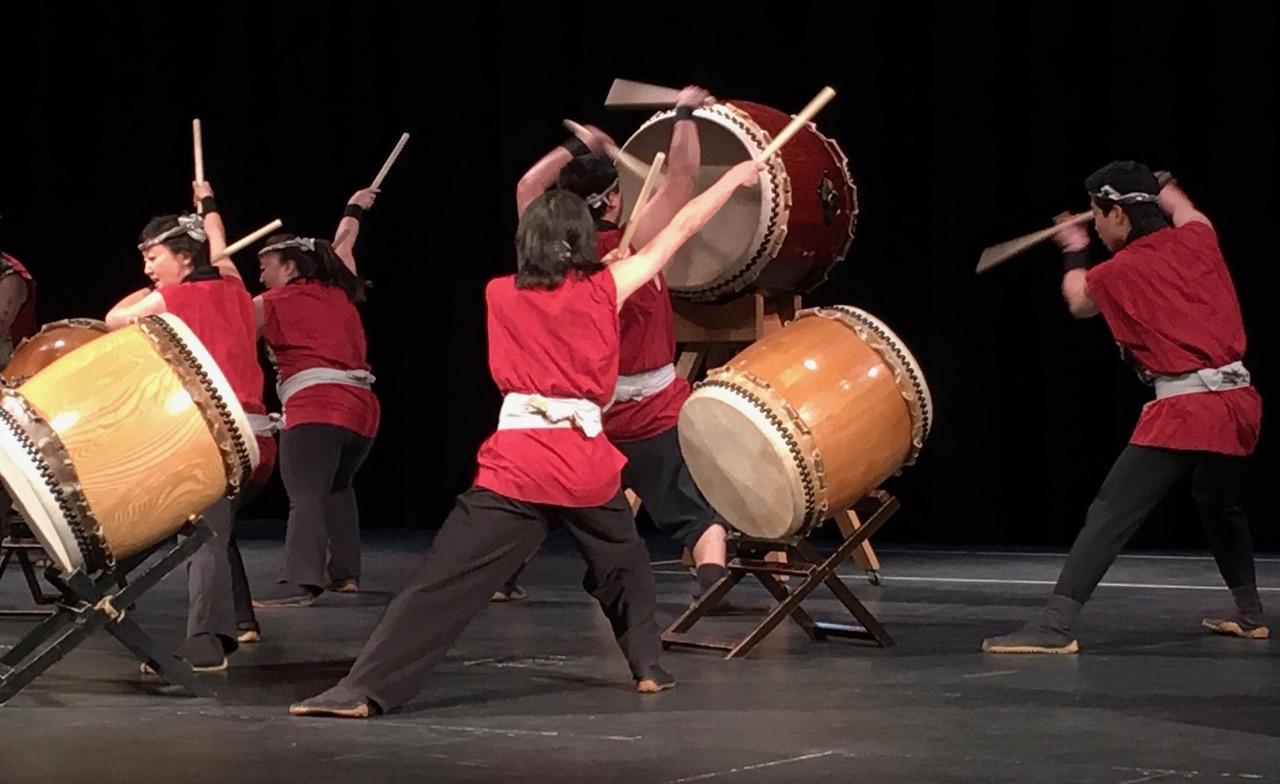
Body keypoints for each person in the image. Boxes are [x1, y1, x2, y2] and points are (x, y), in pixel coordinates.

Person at [289, 159, 765, 718]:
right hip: (585, 463)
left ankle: (362, 689)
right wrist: (733, 179)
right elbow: (681, 226)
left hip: (519, 464)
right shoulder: (606, 288)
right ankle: (648, 666)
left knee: (444, 583)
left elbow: (548, 278)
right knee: (625, 565)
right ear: (583, 240)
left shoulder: (499, 293)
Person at [983, 161, 1266, 655]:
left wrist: (1074, 252)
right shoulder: (1199, 237)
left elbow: (1079, 301)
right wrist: (1167, 186)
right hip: (1241, 405)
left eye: (1097, 214)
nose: (1094, 223)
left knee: (1112, 510)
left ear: (1117, 213)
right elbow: (1185, 208)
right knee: (1216, 501)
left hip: (1189, 410)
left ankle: (1054, 628)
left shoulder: (1120, 271)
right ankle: (1250, 615)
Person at [249, 188, 380, 607]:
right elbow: (345, 242)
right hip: (363, 411)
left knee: (305, 494)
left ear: (288, 267)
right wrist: (354, 208)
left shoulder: (267, 303)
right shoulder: (338, 290)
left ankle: (299, 581)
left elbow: (232, 345)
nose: (261, 276)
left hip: (317, 406)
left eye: (265, 266)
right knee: (337, 487)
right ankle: (345, 573)